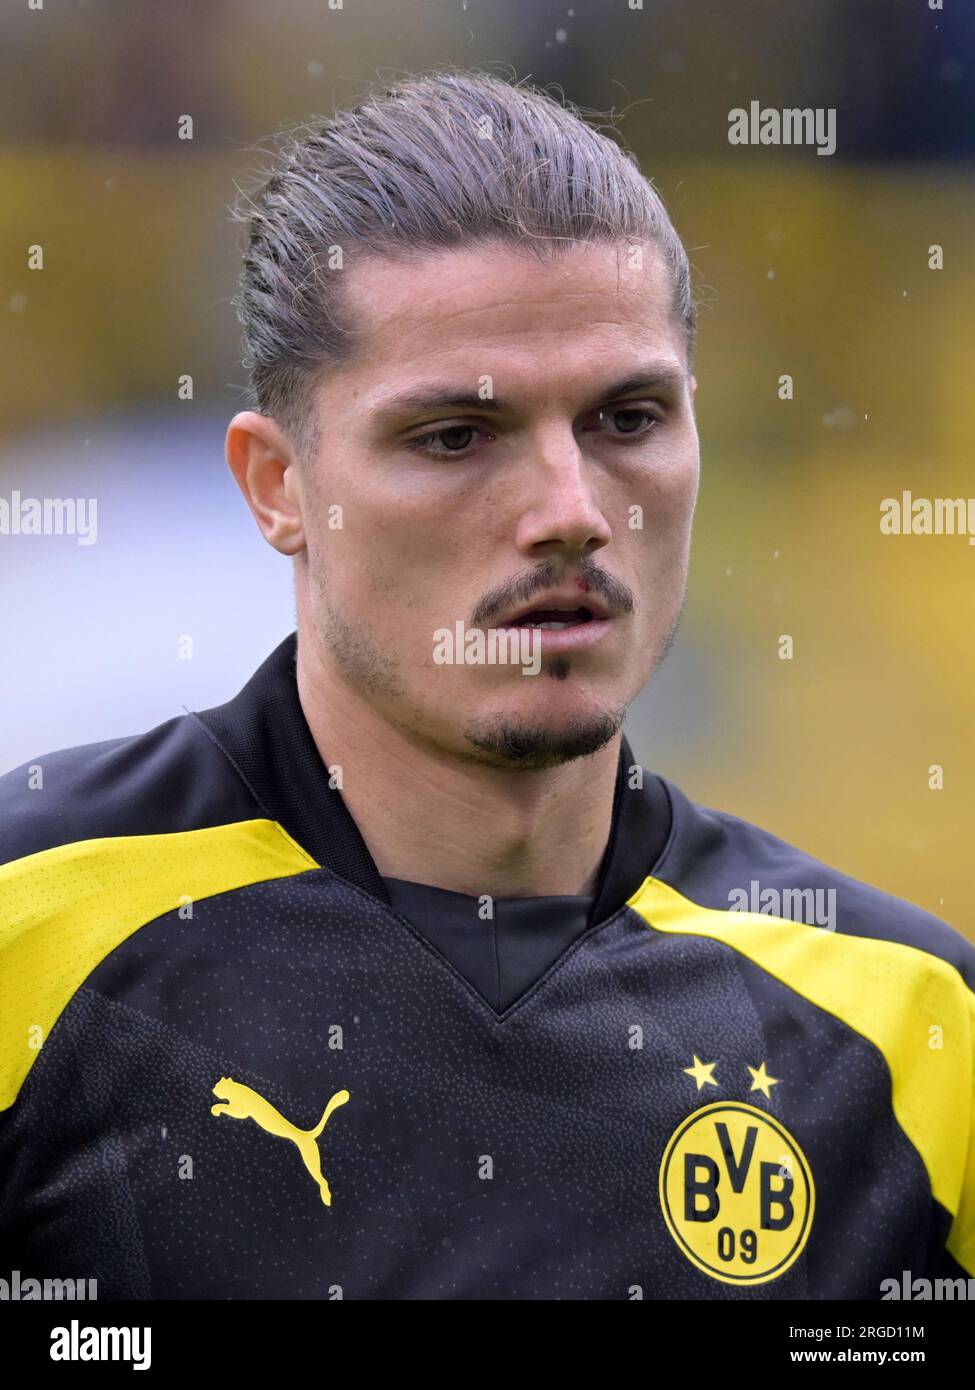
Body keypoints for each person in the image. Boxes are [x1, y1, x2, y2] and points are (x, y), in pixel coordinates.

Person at [0, 69, 971, 1301]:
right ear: (278, 487)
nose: (570, 512)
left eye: (626, 419)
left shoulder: (911, 1023)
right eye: (456, 435)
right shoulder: (25, 931)